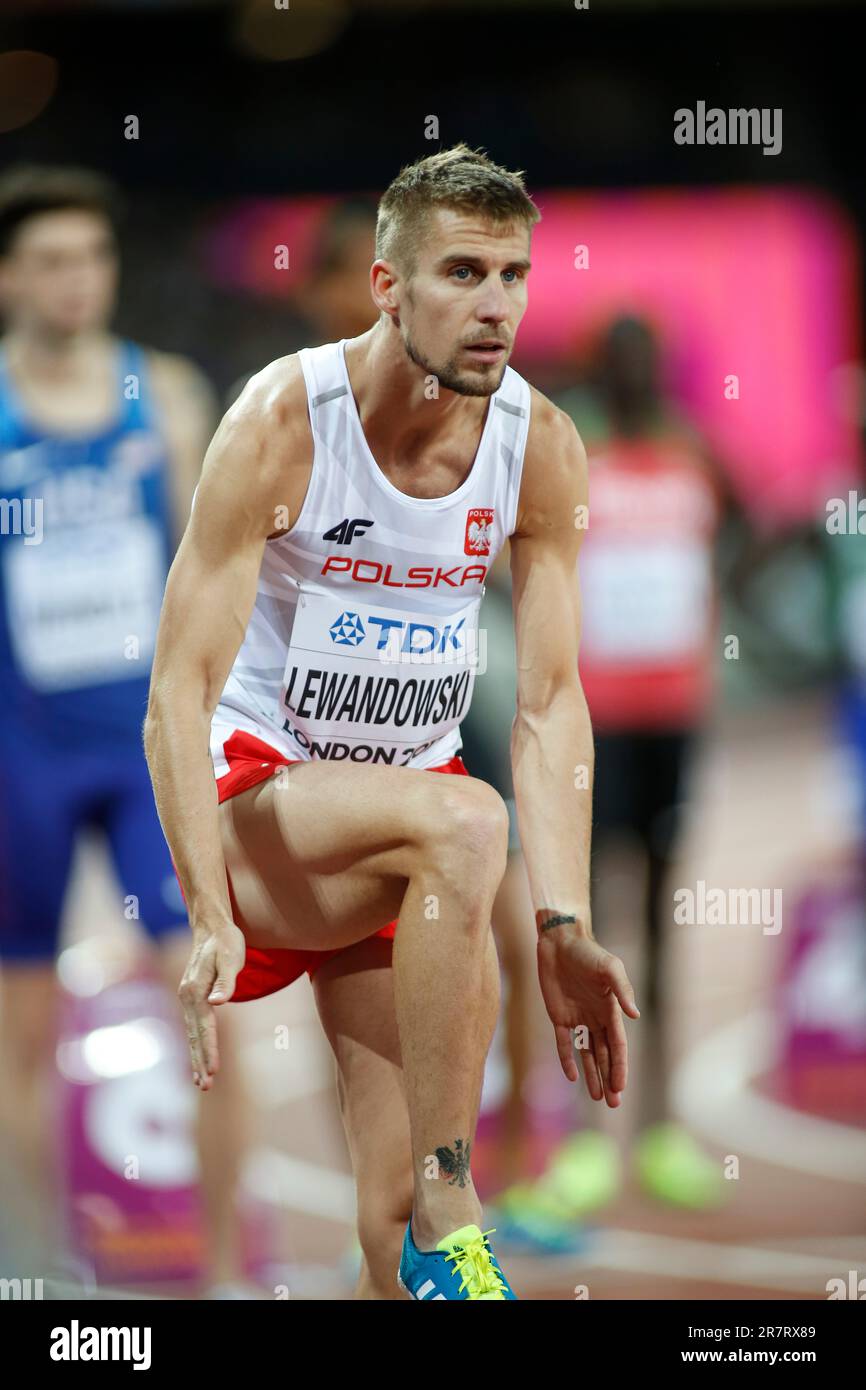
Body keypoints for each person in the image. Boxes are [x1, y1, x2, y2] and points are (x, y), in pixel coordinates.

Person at [145, 143, 640, 1302]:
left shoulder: (539, 445)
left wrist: (562, 920)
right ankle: (456, 1195)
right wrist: (207, 911)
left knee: (382, 1234)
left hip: (409, 860)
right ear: (385, 286)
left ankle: (418, 1223)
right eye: (462, 273)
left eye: (513, 276)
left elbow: (551, 701)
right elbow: (175, 685)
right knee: (469, 822)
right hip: (260, 811)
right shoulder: (283, 419)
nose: (496, 307)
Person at [0, 165, 252, 1295]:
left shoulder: (173, 397)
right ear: (10, 276)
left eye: (91, 258)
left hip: (149, 754)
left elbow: (216, 578)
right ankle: (40, 1277)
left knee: (209, 1008)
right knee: (19, 1035)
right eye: (51, 261)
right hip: (20, 760)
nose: (75, 282)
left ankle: (215, 1271)